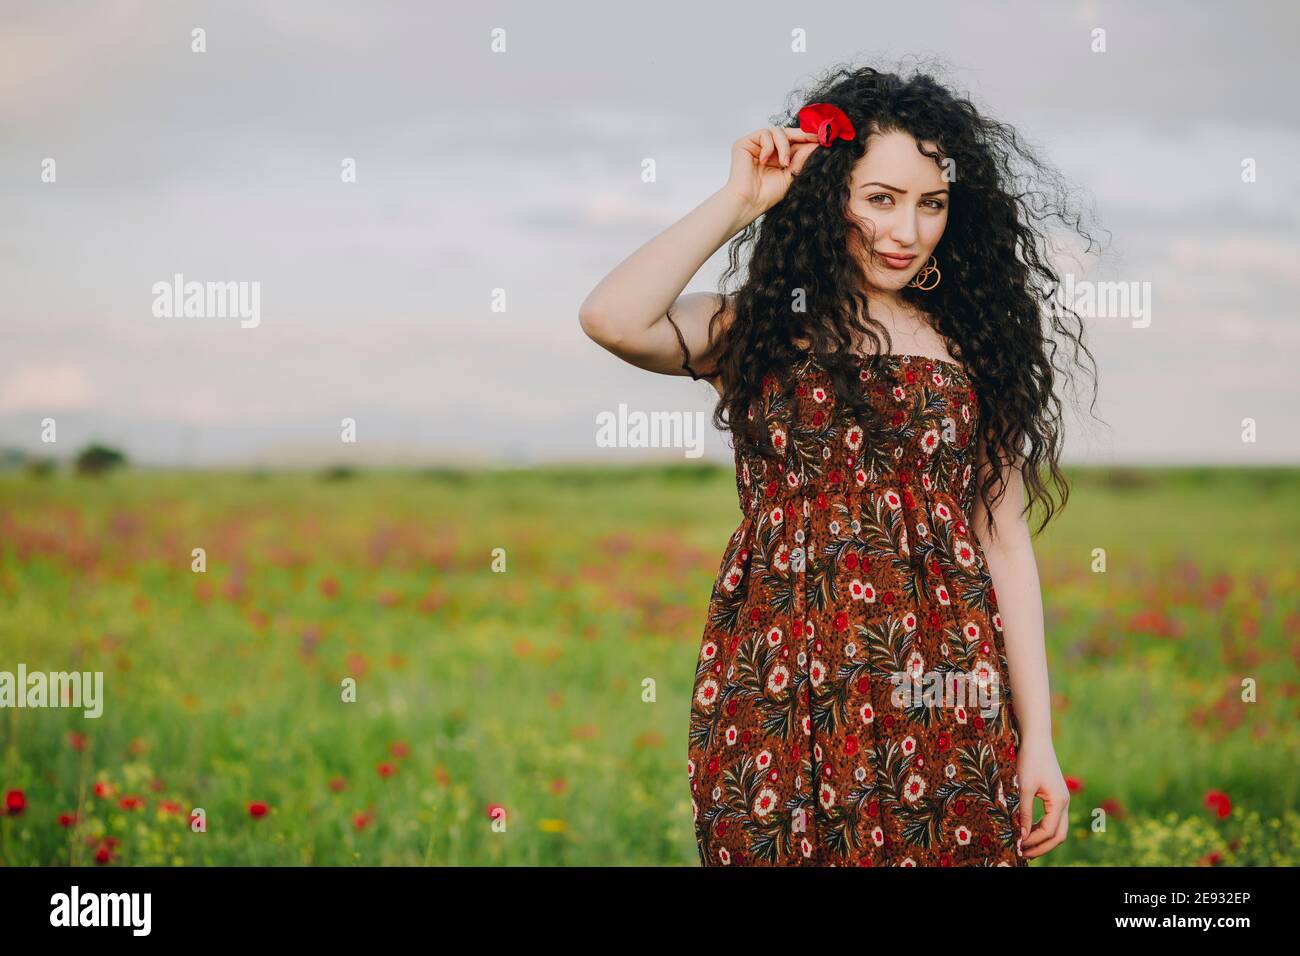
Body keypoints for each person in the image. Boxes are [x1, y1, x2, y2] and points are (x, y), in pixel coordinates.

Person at [579, 62, 1101, 866]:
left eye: (932, 203)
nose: (907, 231)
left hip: (942, 685)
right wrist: (741, 199)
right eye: (881, 199)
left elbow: (1003, 541)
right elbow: (611, 318)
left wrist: (1039, 740)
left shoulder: (972, 343)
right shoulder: (754, 329)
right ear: (829, 198)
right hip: (779, 679)